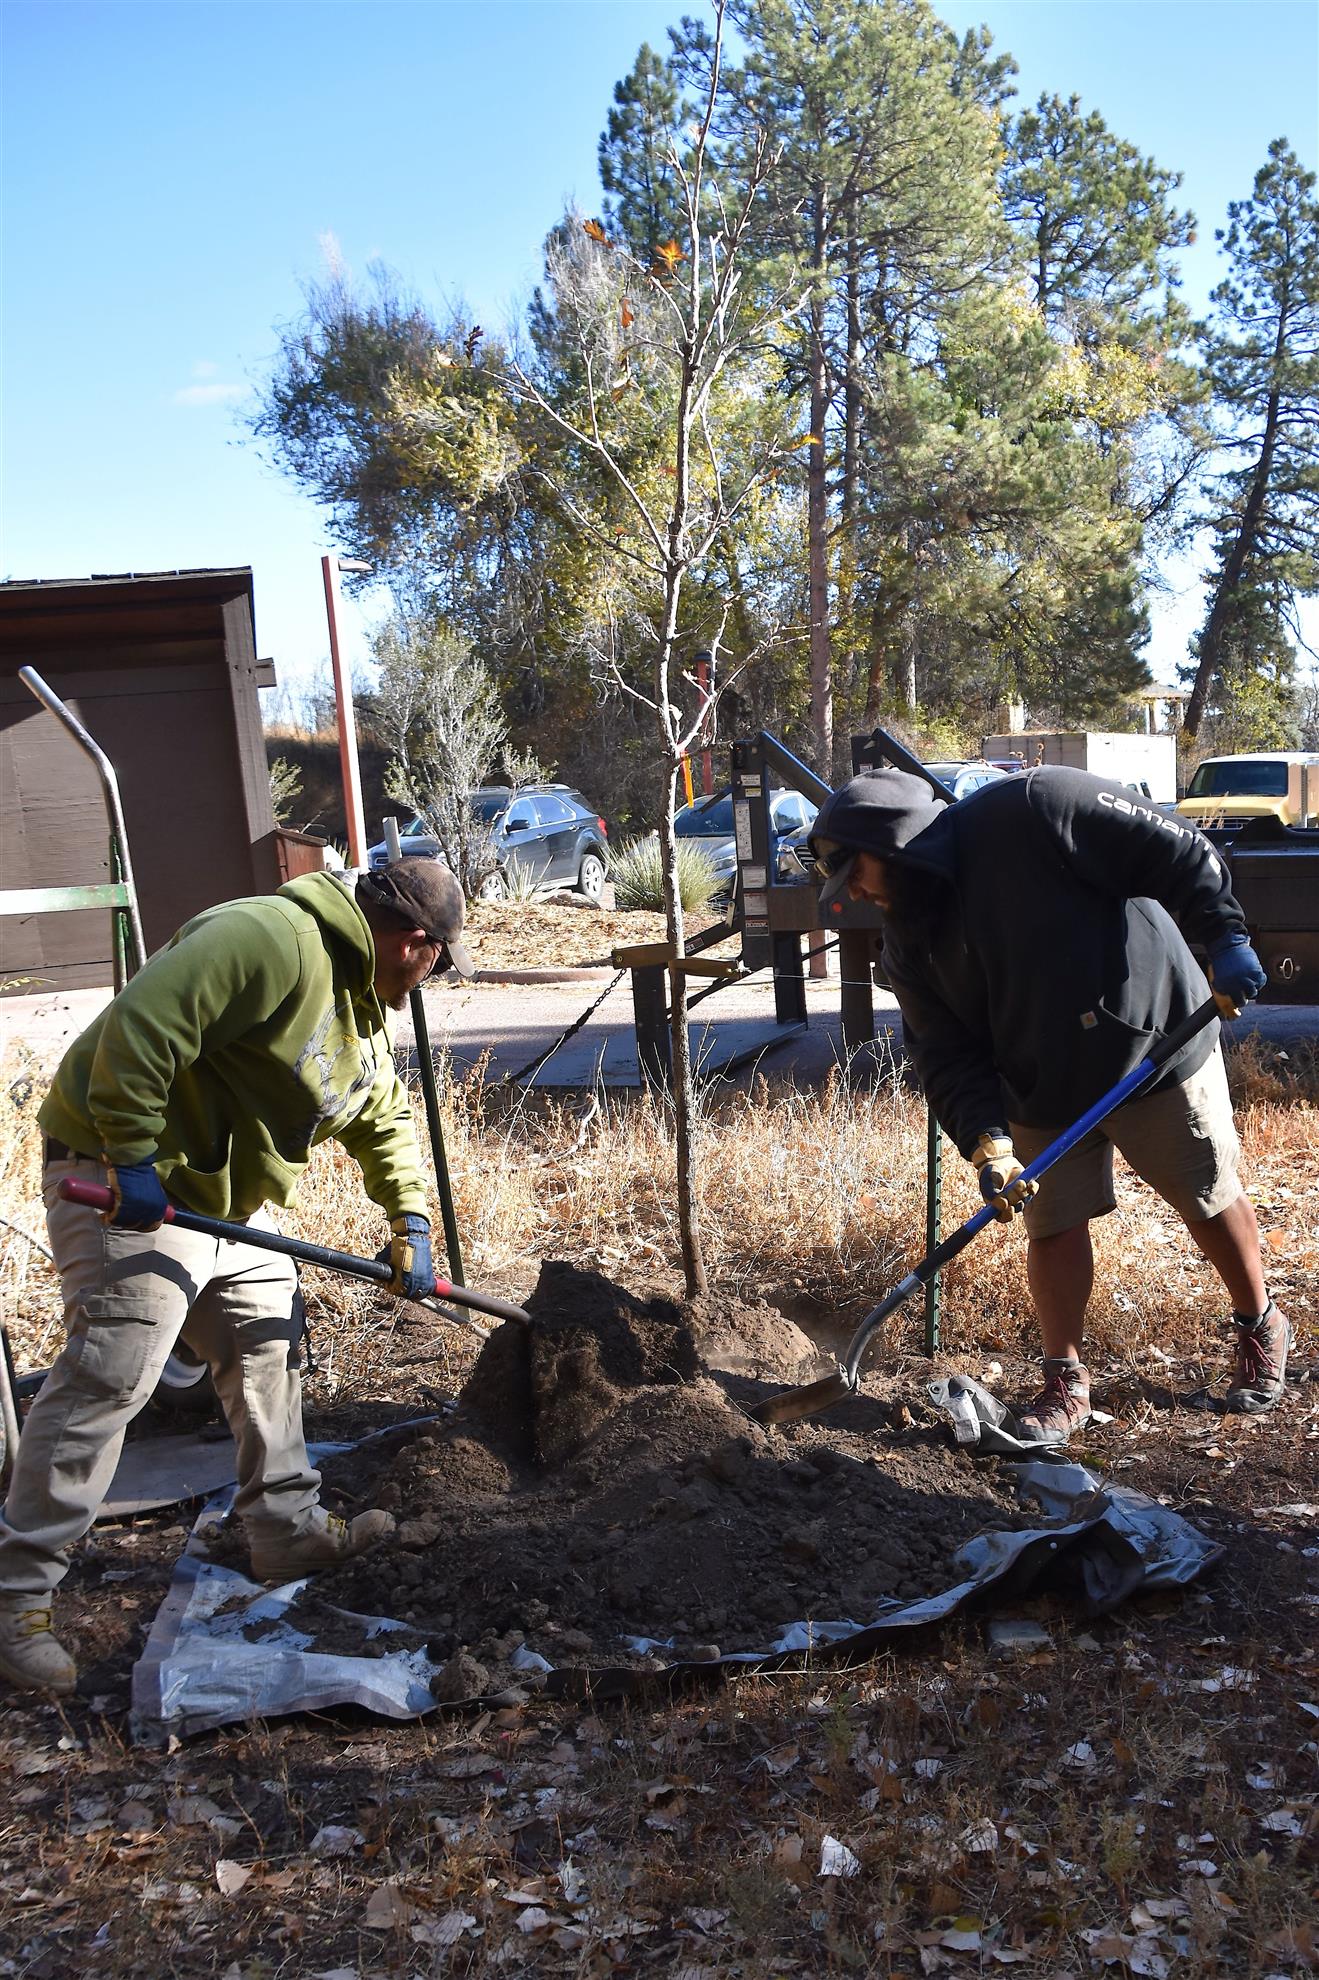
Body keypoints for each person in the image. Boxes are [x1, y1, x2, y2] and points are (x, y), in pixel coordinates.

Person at [0, 858, 475, 1695]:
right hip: (123, 1175)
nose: (435, 973)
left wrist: (409, 1221)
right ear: (415, 944)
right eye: (441, 958)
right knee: (111, 1375)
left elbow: (382, 1113)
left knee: (267, 1336)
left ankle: (284, 1527)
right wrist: (134, 1152)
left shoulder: (360, 1004)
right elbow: (140, 1030)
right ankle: (15, 1598)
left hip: (223, 1204)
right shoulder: (268, 938)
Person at [808, 765, 1287, 1445]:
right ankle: (1063, 1378)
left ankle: (1258, 1320)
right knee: (1052, 1224)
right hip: (1036, 1081)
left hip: (1153, 1045)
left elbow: (1178, 848)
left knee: (1203, 1196)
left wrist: (1227, 936)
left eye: (852, 871)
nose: (851, 893)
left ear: (891, 842)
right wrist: (989, 1146)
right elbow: (944, 1055)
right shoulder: (908, 943)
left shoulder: (1037, 809)